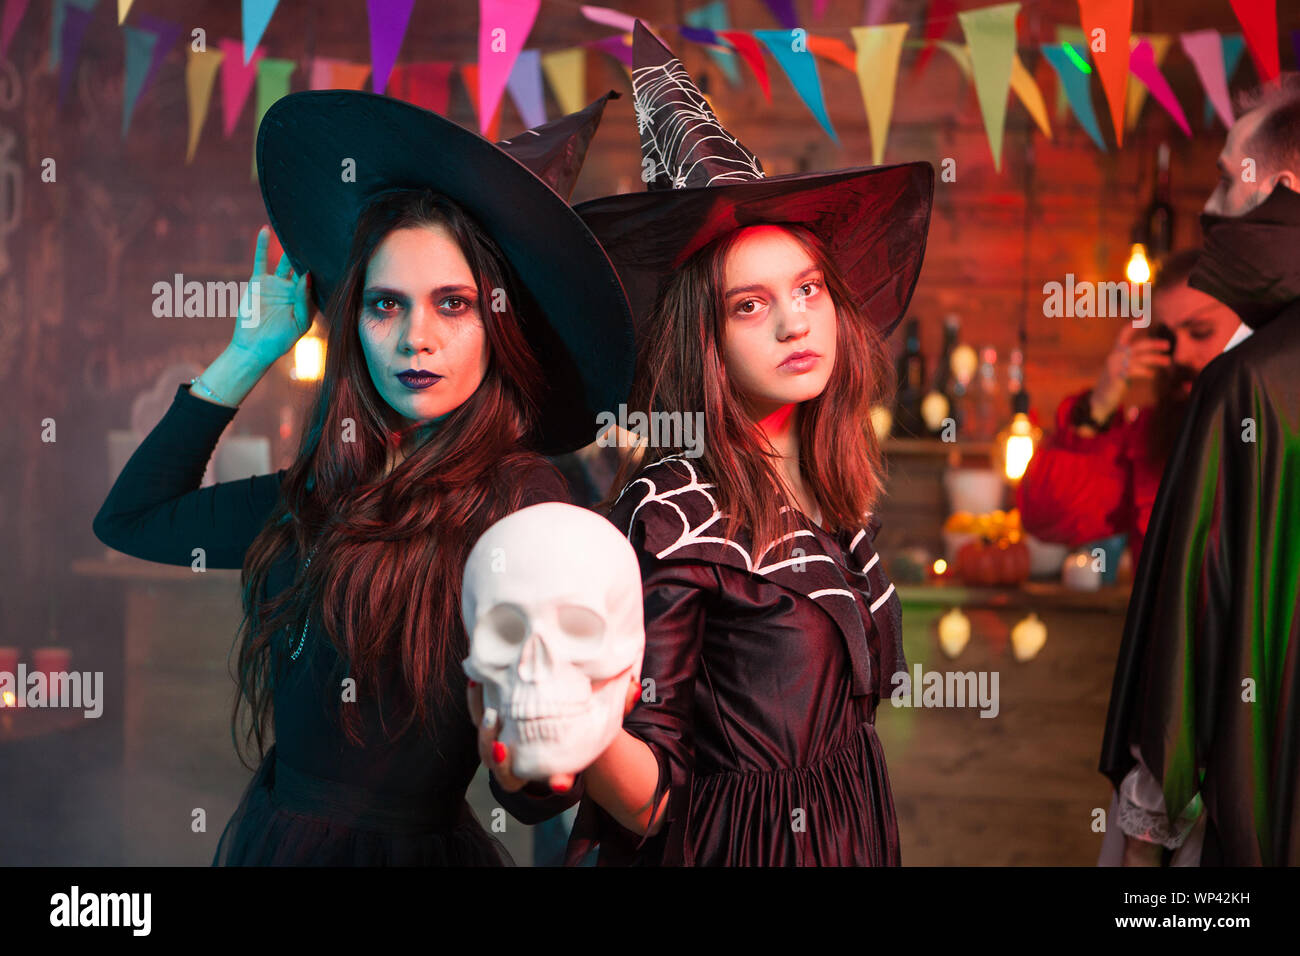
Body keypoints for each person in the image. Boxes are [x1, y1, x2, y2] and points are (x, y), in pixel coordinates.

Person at [92, 89, 635, 865]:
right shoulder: (319, 489)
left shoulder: (521, 502)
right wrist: (250, 351)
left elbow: (533, 786)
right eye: (387, 305)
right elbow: (132, 519)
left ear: (498, 324)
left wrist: (536, 746)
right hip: (275, 842)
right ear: (355, 321)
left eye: (454, 304)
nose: (417, 338)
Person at [471, 20, 933, 865]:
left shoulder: (832, 485)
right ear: (705, 340)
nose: (796, 320)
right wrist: (570, 726)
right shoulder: (671, 514)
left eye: (809, 288)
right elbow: (652, 805)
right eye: (750, 304)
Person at [1099, 73, 1300, 866]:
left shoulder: (1251, 377)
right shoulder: (1227, 381)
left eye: (1227, 179)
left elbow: (1196, 602)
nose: (1210, 206)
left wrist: (1161, 771)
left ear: (1286, 185)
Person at [1016, 249, 1242, 567]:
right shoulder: (1152, 440)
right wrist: (1098, 406)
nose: (1180, 356)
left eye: (1201, 331)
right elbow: (1047, 514)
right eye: (1168, 338)